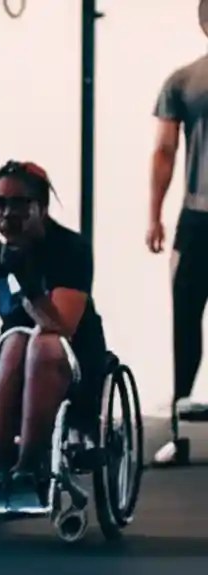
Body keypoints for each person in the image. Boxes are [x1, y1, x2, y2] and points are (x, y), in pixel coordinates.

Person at [0, 161, 108, 511]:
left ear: (41, 206)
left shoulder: (71, 248)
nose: (8, 213)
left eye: (20, 203)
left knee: (40, 342)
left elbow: (62, 327)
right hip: (17, 352)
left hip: (71, 355)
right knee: (13, 343)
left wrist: (25, 281)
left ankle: (28, 469)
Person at [149, 45, 208, 465]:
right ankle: (179, 424)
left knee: (186, 319)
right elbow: (164, 152)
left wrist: (155, 217)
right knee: (185, 319)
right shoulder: (182, 81)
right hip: (197, 218)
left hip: (199, 217)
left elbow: (165, 151)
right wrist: (153, 216)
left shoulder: (184, 80)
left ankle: (179, 430)